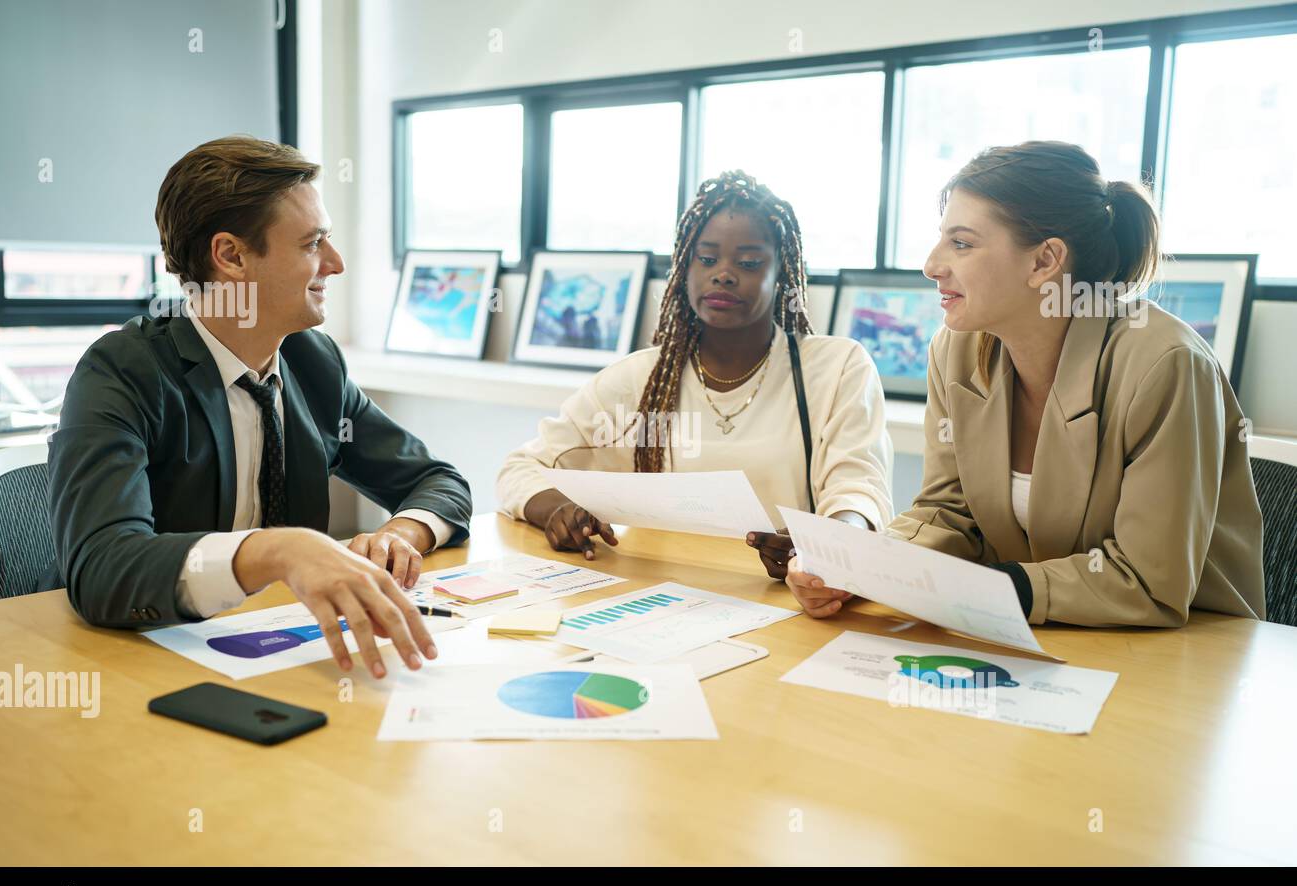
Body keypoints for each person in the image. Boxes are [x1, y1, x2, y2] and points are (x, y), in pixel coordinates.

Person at [788, 141, 1265, 626]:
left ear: (1044, 262)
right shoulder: (954, 351)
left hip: (1185, 655)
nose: (931, 265)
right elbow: (949, 513)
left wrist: (991, 589)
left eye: (962, 243)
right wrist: (861, 565)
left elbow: (1147, 582)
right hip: (1040, 636)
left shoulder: (1166, 364)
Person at [48, 135, 472, 678]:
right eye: (313, 243)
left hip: (283, 652)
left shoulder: (312, 362)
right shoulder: (123, 372)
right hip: (145, 666)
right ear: (231, 255)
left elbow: (439, 481)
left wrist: (400, 535)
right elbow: (102, 569)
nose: (336, 264)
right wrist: (278, 551)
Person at [496, 170, 893, 579]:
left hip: (790, 596)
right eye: (706, 259)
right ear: (685, 269)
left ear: (783, 275)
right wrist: (556, 510)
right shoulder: (641, 378)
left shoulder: (835, 368)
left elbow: (858, 490)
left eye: (749, 262)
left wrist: (827, 547)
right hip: (660, 598)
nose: (723, 273)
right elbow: (521, 468)